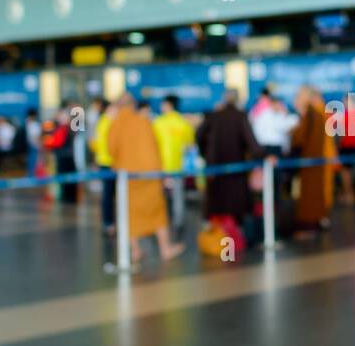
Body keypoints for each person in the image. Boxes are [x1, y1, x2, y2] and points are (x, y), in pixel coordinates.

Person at [107, 92, 184, 265]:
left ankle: (135, 251)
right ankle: (165, 248)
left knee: (130, 214)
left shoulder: (116, 124)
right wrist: (161, 173)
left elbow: (111, 149)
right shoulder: (144, 122)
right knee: (157, 212)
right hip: (150, 175)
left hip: (129, 177)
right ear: (133, 105)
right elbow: (155, 147)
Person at [195, 89, 261, 228]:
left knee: (217, 215)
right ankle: (233, 238)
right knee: (235, 216)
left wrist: (205, 154)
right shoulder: (240, 116)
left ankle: (220, 238)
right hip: (236, 173)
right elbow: (251, 143)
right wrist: (263, 155)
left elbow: (198, 135)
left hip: (215, 172)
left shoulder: (214, 115)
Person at [288, 86, 336, 235]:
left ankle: (309, 224)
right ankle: (319, 220)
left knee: (310, 195)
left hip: (311, 160)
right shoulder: (320, 113)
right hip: (320, 159)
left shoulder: (312, 113)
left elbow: (300, 138)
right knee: (319, 193)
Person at [153, 94, 195, 235]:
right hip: (178, 166)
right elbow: (189, 145)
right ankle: (178, 223)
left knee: (160, 197)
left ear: (168, 105)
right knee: (178, 196)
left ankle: (161, 223)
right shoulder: (183, 123)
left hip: (160, 167)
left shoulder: (158, 122)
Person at [90, 97, 115, 233]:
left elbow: (94, 143)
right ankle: (109, 222)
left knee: (108, 193)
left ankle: (109, 222)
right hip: (109, 162)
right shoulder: (108, 122)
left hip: (104, 161)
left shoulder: (102, 122)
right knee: (109, 194)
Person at [44, 103, 77, 203]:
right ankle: (69, 197)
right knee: (69, 178)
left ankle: (67, 197)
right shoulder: (69, 128)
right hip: (68, 157)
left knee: (64, 178)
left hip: (63, 157)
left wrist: (48, 142)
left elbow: (56, 142)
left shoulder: (63, 129)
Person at [24, 108, 42, 177]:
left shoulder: (27, 123)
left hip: (30, 145)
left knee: (31, 162)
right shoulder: (34, 124)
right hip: (34, 146)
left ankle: (31, 175)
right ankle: (32, 176)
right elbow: (36, 137)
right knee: (33, 162)